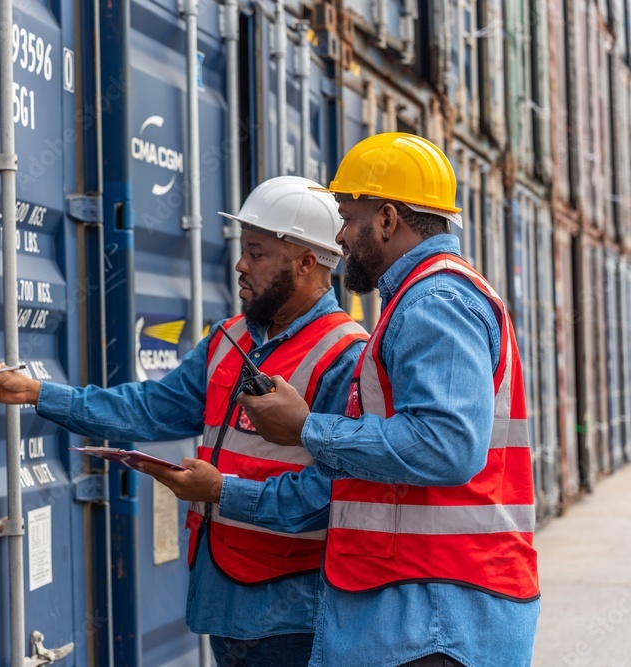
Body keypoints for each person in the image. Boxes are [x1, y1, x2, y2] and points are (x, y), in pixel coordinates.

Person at [144, 133, 540, 667]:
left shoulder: (436, 300)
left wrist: (306, 429)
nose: (340, 236)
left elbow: (448, 447)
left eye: (349, 217)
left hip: (435, 615)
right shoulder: (423, 298)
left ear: (387, 220)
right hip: (422, 606)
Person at [0, 176, 368, 667]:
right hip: (220, 600)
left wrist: (222, 490)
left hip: (292, 618)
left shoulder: (345, 356)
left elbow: (332, 496)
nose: (240, 265)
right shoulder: (230, 338)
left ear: (307, 263)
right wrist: (38, 392)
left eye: (257, 252)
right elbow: (150, 407)